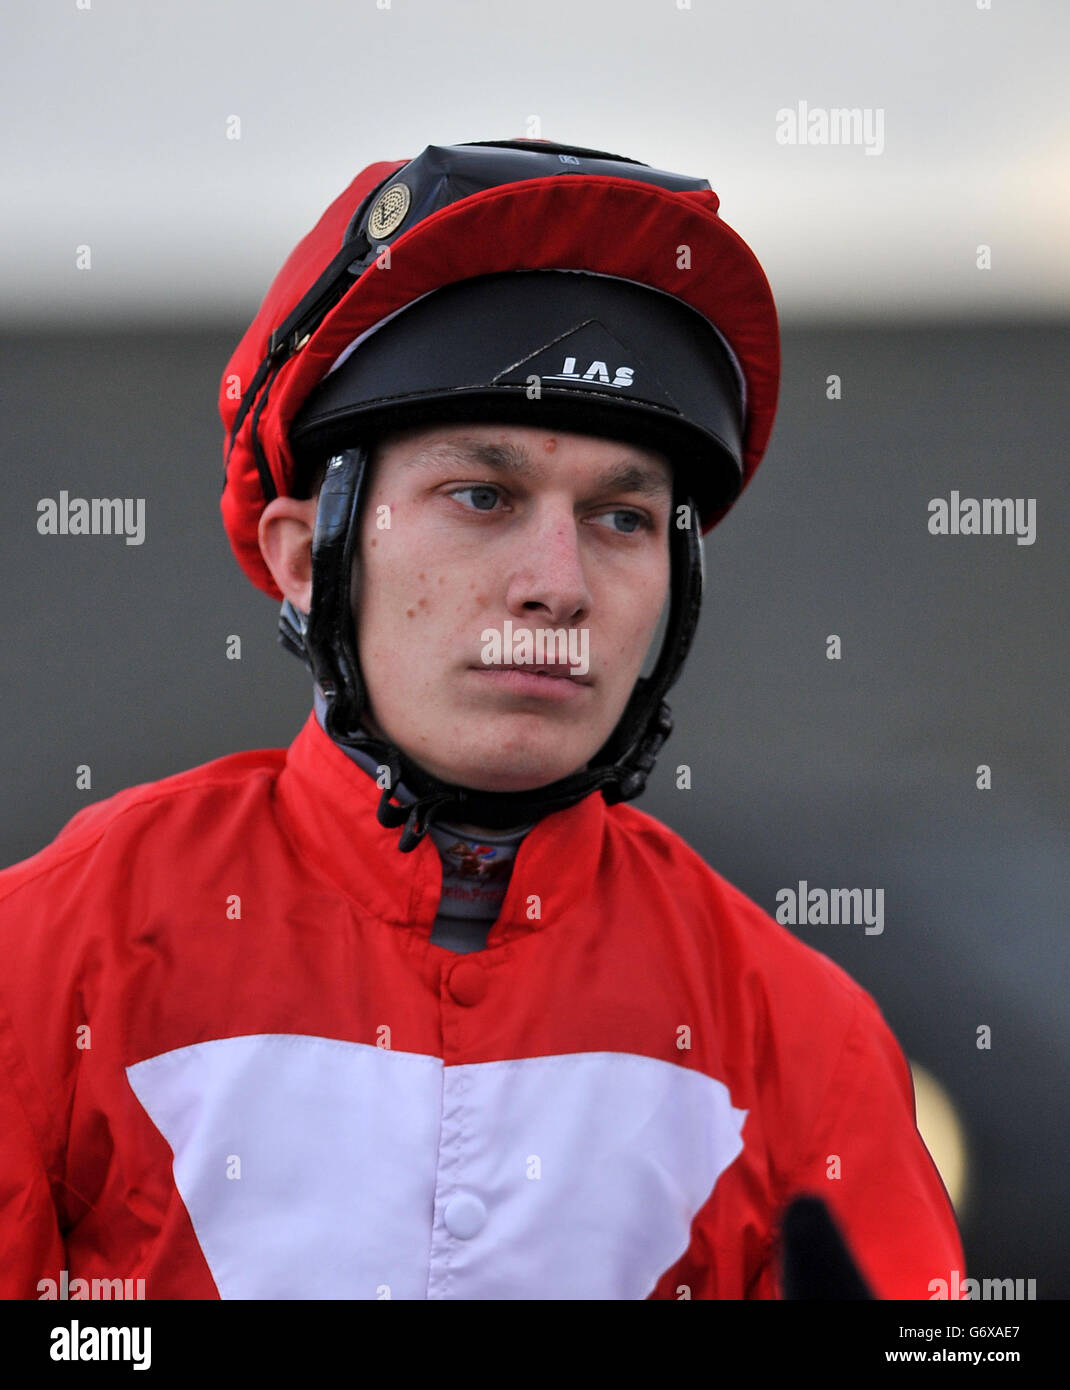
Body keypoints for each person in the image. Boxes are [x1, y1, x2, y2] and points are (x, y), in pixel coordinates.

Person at [0, 138, 963, 1300]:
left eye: (619, 517)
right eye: (483, 496)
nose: (555, 582)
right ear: (309, 557)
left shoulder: (808, 1036)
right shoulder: (47, 958)